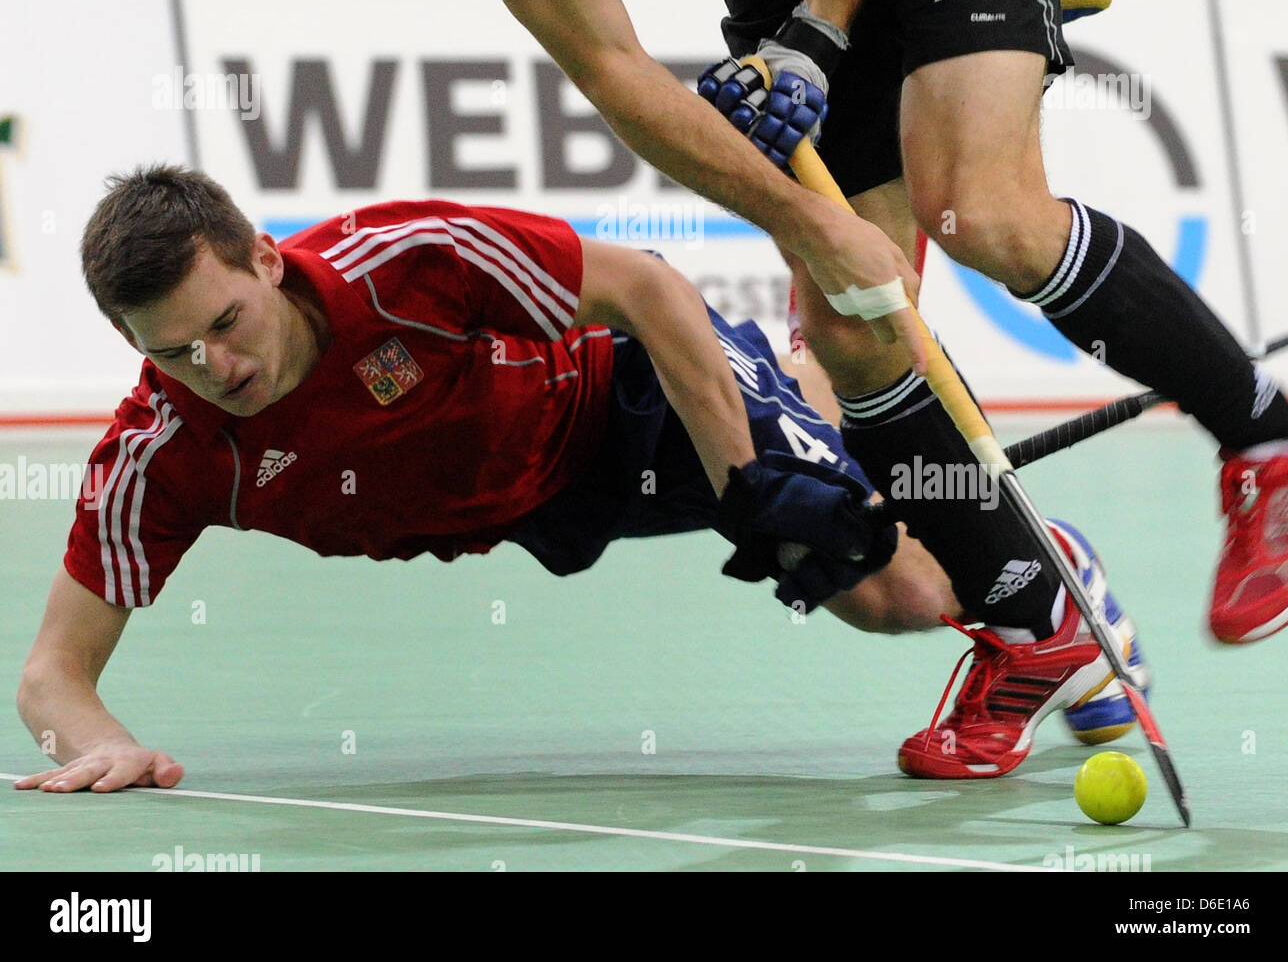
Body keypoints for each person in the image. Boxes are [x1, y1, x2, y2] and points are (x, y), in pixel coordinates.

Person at [296, 0, 1288, 777]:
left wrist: (819, 40)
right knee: (849, 321)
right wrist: (803, 221)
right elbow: (615, 70)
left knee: (975, 210)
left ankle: (1266, 444)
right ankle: (1029, 622)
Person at [14, 166, 1137, 793]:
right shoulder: (162, 451)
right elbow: (51, 677)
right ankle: (817, 383)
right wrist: (98, 742)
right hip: (532, 501)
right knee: (851, 526)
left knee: (889, 597)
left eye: (226, 322)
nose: (220, 368)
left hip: (626, 393)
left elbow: (645, 286)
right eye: (172, 351)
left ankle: (1037, 569)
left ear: (265, 256)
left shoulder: (405, 262)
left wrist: (745, 478)